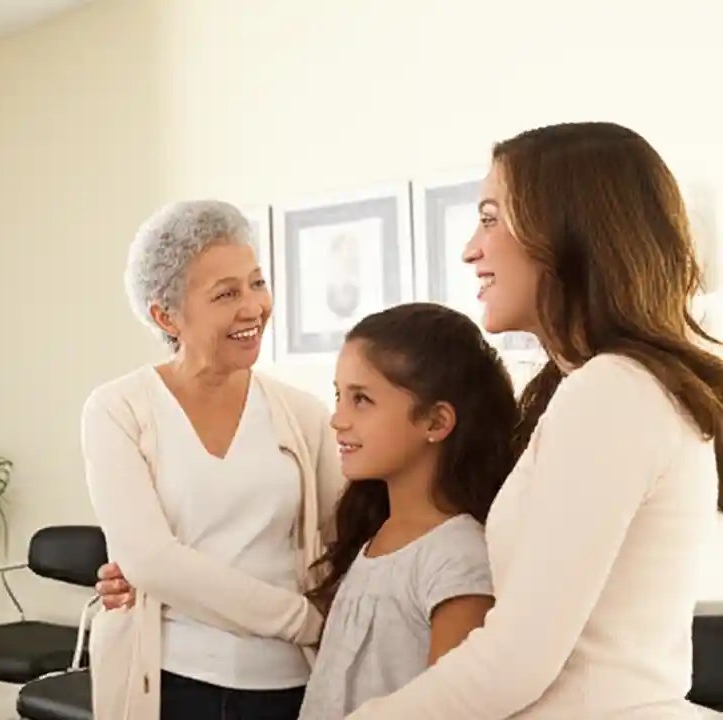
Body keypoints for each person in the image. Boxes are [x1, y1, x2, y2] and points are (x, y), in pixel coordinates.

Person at [346, 122, 723, 717]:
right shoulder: (608, 389)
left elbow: (514, 662)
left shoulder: (613, 393)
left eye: (490, 219)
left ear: (564, 231)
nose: (471, 248)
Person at [81, 200, 346, 720]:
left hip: (289, 683)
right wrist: (303, 620)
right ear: (166, 316)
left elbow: (347, 540)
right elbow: (150, 559)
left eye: (257, 283)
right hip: (175, 681)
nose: (253, 307)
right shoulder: (119, 409)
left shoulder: (302, 414)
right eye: (226, 294)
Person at [298, 302, 518, 719]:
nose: (338, 419)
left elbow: (454, 708)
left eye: (361, 400)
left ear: (435, 422)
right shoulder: (375, 538)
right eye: (339, 396)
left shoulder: (457, 556)